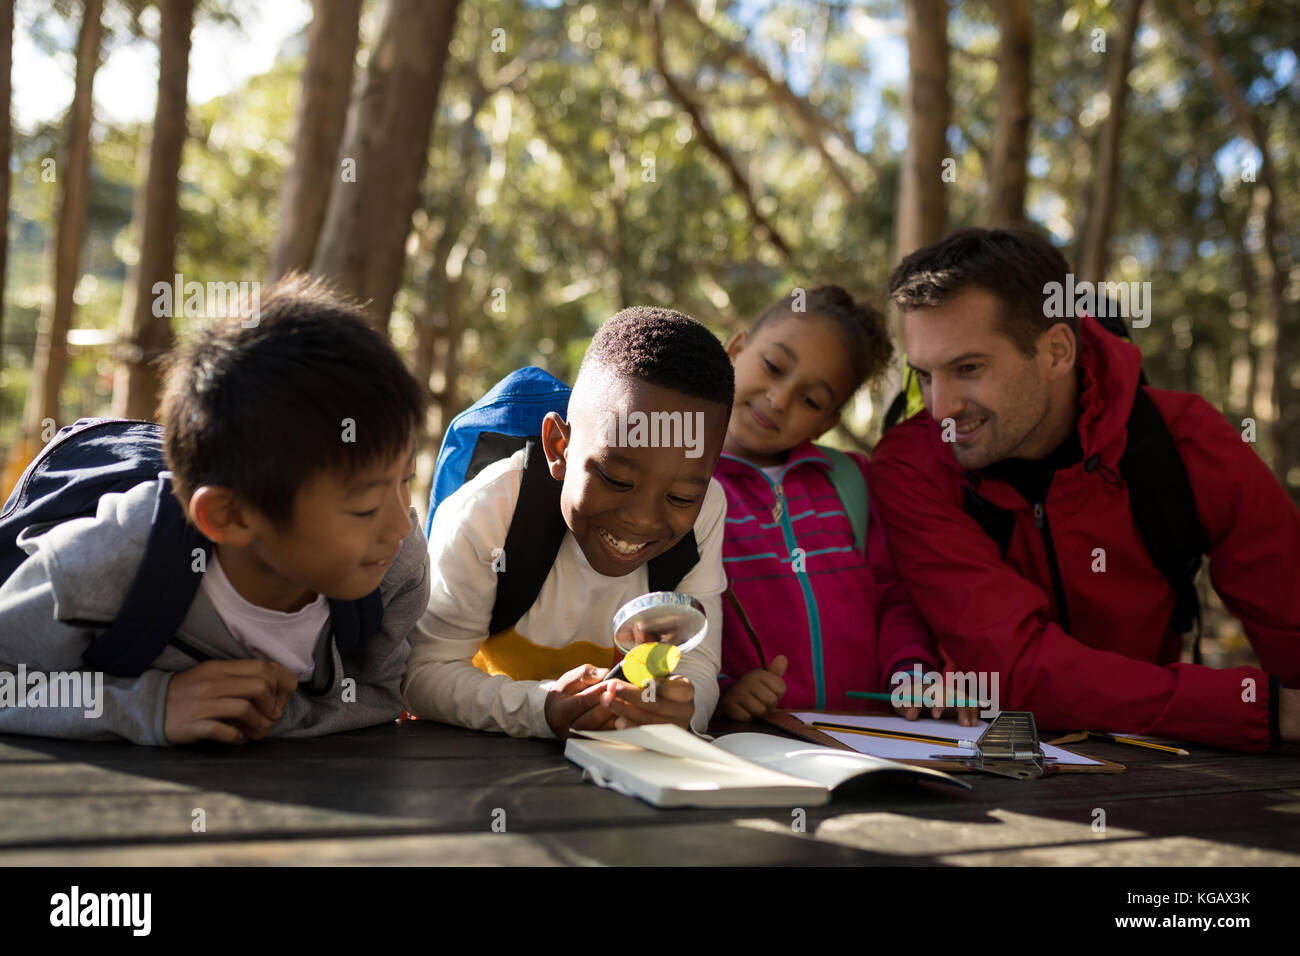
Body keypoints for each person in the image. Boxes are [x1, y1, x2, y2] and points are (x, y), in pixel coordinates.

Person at [871, 227, 1300, 752]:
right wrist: (1254, 708)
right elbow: (1013, 668)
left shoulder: (1184, 440)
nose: (940, 408)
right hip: (986, 774)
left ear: (1055, 352)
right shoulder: (910, 463)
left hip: (1170, 766)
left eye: (968, 368)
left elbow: (1292, 617)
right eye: (925, 376)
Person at [0, 276, 430, 745]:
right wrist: (152, 704)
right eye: (365, 508)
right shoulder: (104, 562)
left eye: (406, 480)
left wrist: (263, 715)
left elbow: (380, 694)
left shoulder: (395, 570)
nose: (399, 524)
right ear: (230, 517)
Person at [403, 307, 734, 739]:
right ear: (559, 447)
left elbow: (696, 662)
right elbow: (422, 676)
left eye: (680, 497)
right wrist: (543, 708)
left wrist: (681, 713)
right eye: (616, 479)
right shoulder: (490, 515)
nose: (641, 518)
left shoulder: (704, 515)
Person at [714, 286, 976, 724]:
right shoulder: (684, 487)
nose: (779, 400)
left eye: (811, 400)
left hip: (872, 740)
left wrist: (911, 670)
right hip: (749, 745)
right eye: (773, 366)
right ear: (735, 350)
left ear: (828, 421)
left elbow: (894, 597)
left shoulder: (849, 482)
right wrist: (721, 689)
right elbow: (672, 610)